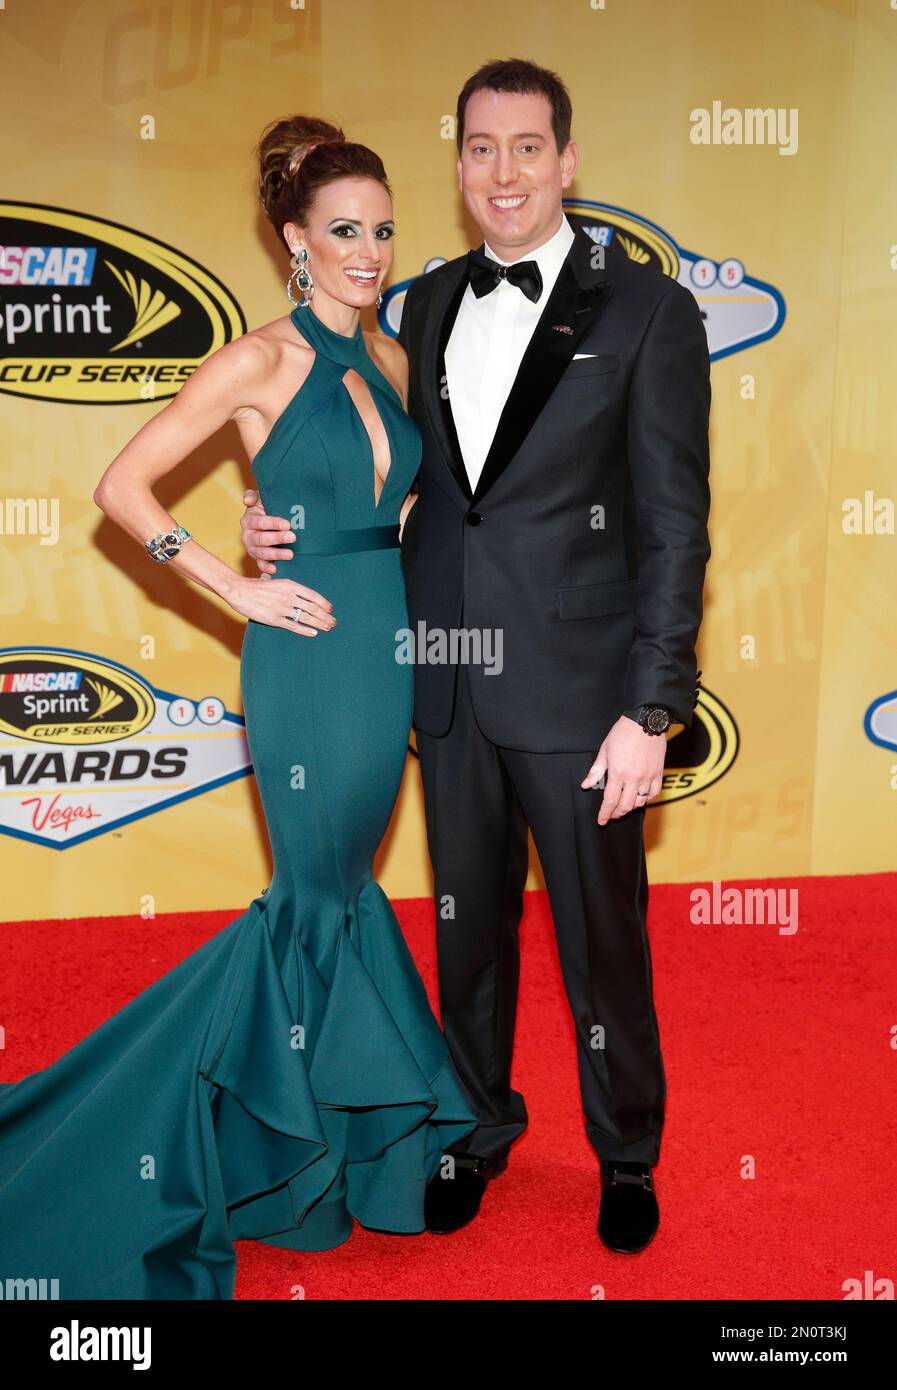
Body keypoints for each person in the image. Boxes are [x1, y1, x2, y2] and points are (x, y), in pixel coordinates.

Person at [0, 116, 476, 1300]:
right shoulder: (261, 359)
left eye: (382, 230)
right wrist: (232, 581)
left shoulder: (399, 358)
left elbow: (398, 510)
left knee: (346, 890)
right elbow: (122, 485)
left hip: (383, 649)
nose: (368, 251)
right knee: (311, 898)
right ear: (294, 242)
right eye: (343, 232)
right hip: (305, 660)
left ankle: (331, 1143)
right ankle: (281, 1156)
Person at [240, 61, 712, 1256]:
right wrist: (264, 516)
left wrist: (651, 707)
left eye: (528, 147)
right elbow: (387, 478)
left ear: (568, 161)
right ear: (458, 167)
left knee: (603, 942)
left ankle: (628, 1154)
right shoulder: (425, 307)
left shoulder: (648, 308)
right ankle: (477, 1124)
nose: (503, 172)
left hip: (582, 694)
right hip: (442, 672)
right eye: (481, 149)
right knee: (468, 929)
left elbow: (676, 524)